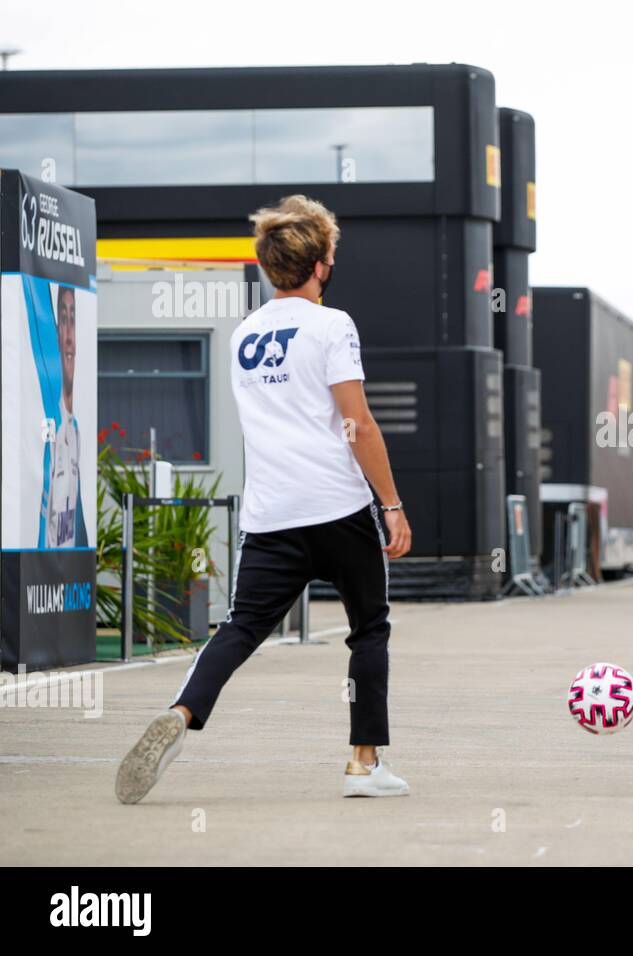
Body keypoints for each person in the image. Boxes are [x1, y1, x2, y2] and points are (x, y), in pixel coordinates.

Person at [115, 195, 414, 805]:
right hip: (338, 507)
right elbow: (357, 422)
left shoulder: (244, 333)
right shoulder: (334, 325)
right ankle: (363, 764)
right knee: (369, 631)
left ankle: (183, 711)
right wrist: (391, 504)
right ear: (322, 262)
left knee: (242, 626)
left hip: (270, 512)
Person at [40, 285, 88, 548]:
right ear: (56, 334)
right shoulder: (49, 424)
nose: (69, 337)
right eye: (63, 320)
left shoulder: (75, 428)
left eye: (73, 321)